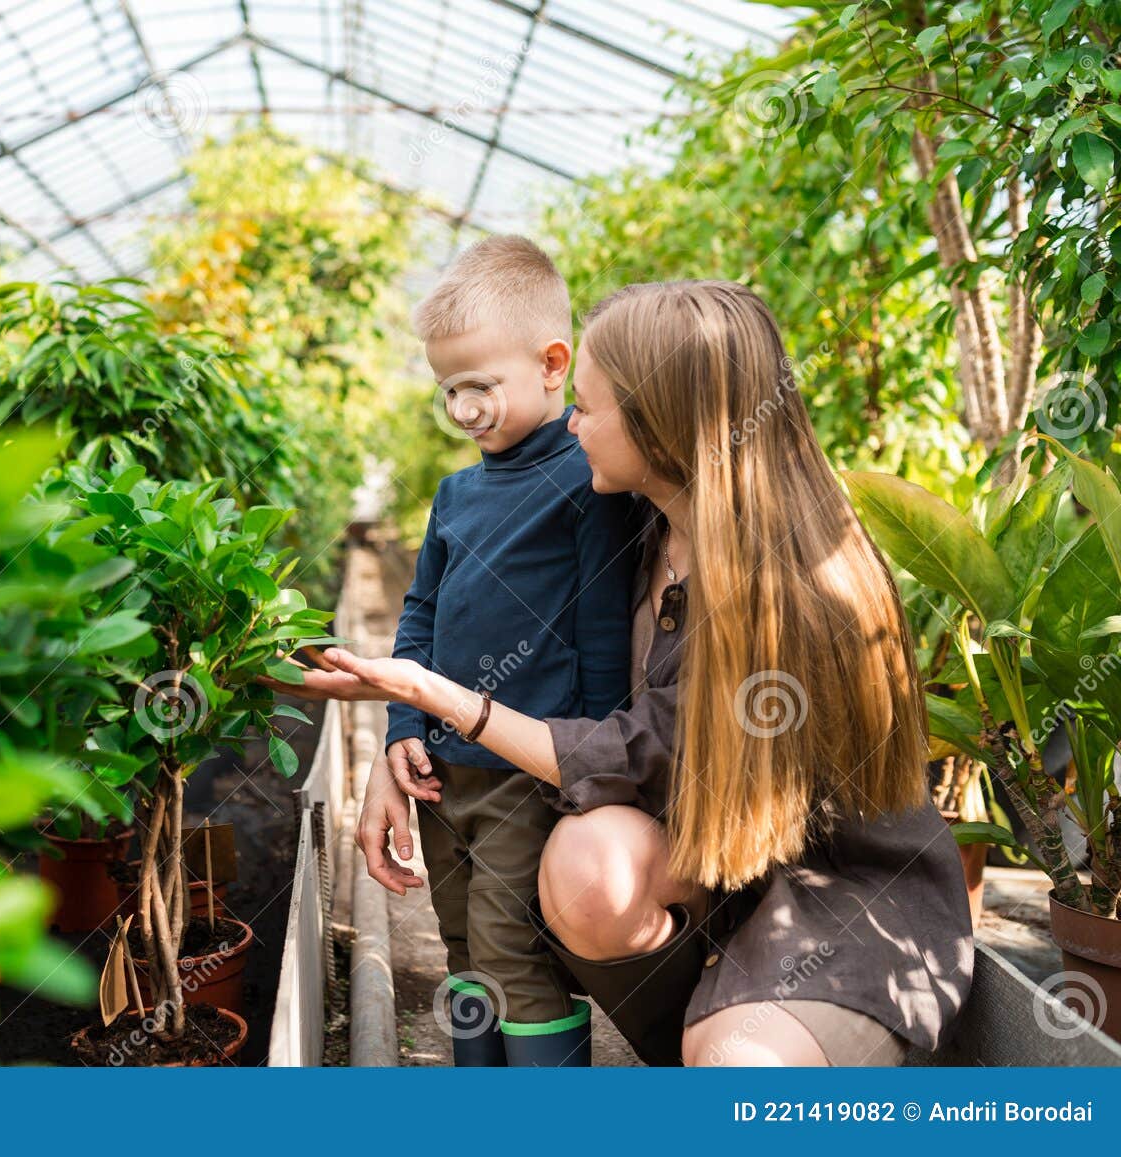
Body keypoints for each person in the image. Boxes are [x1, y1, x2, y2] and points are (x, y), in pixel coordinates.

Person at [278, 280, 974, 1067]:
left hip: (826, 895)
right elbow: (473, 623)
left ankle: (752, 1038)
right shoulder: (637, 526)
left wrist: (437, 699)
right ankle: (699, 1037)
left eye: (586, 405)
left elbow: (643, 749)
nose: (569, 425)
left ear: (662, 423)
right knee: (585, 869)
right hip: (714, 859)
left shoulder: (795, 584)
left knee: (740, 1069)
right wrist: (397, 743)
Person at [380, 235, 636, 1066]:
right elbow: (418, 614)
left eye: (481, 387)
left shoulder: (585, 481)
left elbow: (602, 636)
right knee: (459, 943)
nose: (463, 409)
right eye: (449, 389)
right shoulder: (454, 495)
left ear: (553, 362)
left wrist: (591, 774)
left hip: (530, 772)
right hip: (445, 772)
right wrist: (398, 727)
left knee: (511, 950)